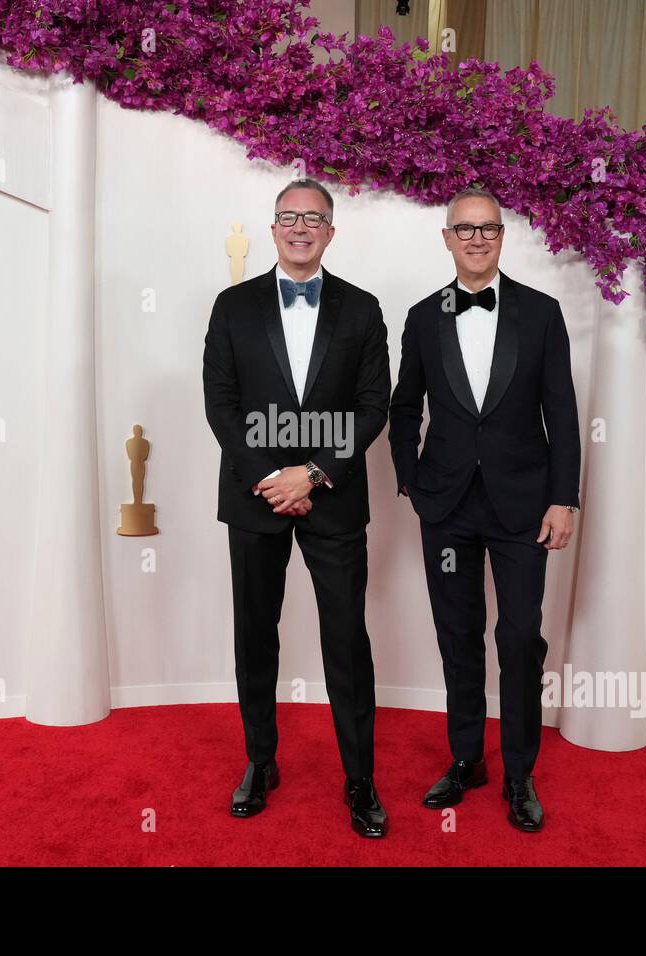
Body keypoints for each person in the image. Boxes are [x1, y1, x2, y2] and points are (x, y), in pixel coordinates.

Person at [202, 178, 392, 837]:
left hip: (333, 500)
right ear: (274, 227)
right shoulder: (232, 307)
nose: (300, 227)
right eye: (289, 217)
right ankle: (260, 761)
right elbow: (221, 406)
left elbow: (374, 407)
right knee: (255, 637)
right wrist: (269, 478)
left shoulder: (363, 309)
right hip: (255, 500)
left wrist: (311, 473)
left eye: (314, 218)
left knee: (347, 642)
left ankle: (360, 779)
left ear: (331, 232)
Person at [389, 187, 581, 832]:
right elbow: (401, 407)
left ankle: (520, 773)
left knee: (520, 636)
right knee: (457, 634)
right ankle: (467, 758)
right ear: (446, 238)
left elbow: (563, 414)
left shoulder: (542, 313)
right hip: (446, 505)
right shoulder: (422, 316)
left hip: (524, 506)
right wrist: (412, 481)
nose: (476, 239)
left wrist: (564, 497)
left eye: (489, 229)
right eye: (464, 230)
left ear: (503, 237)